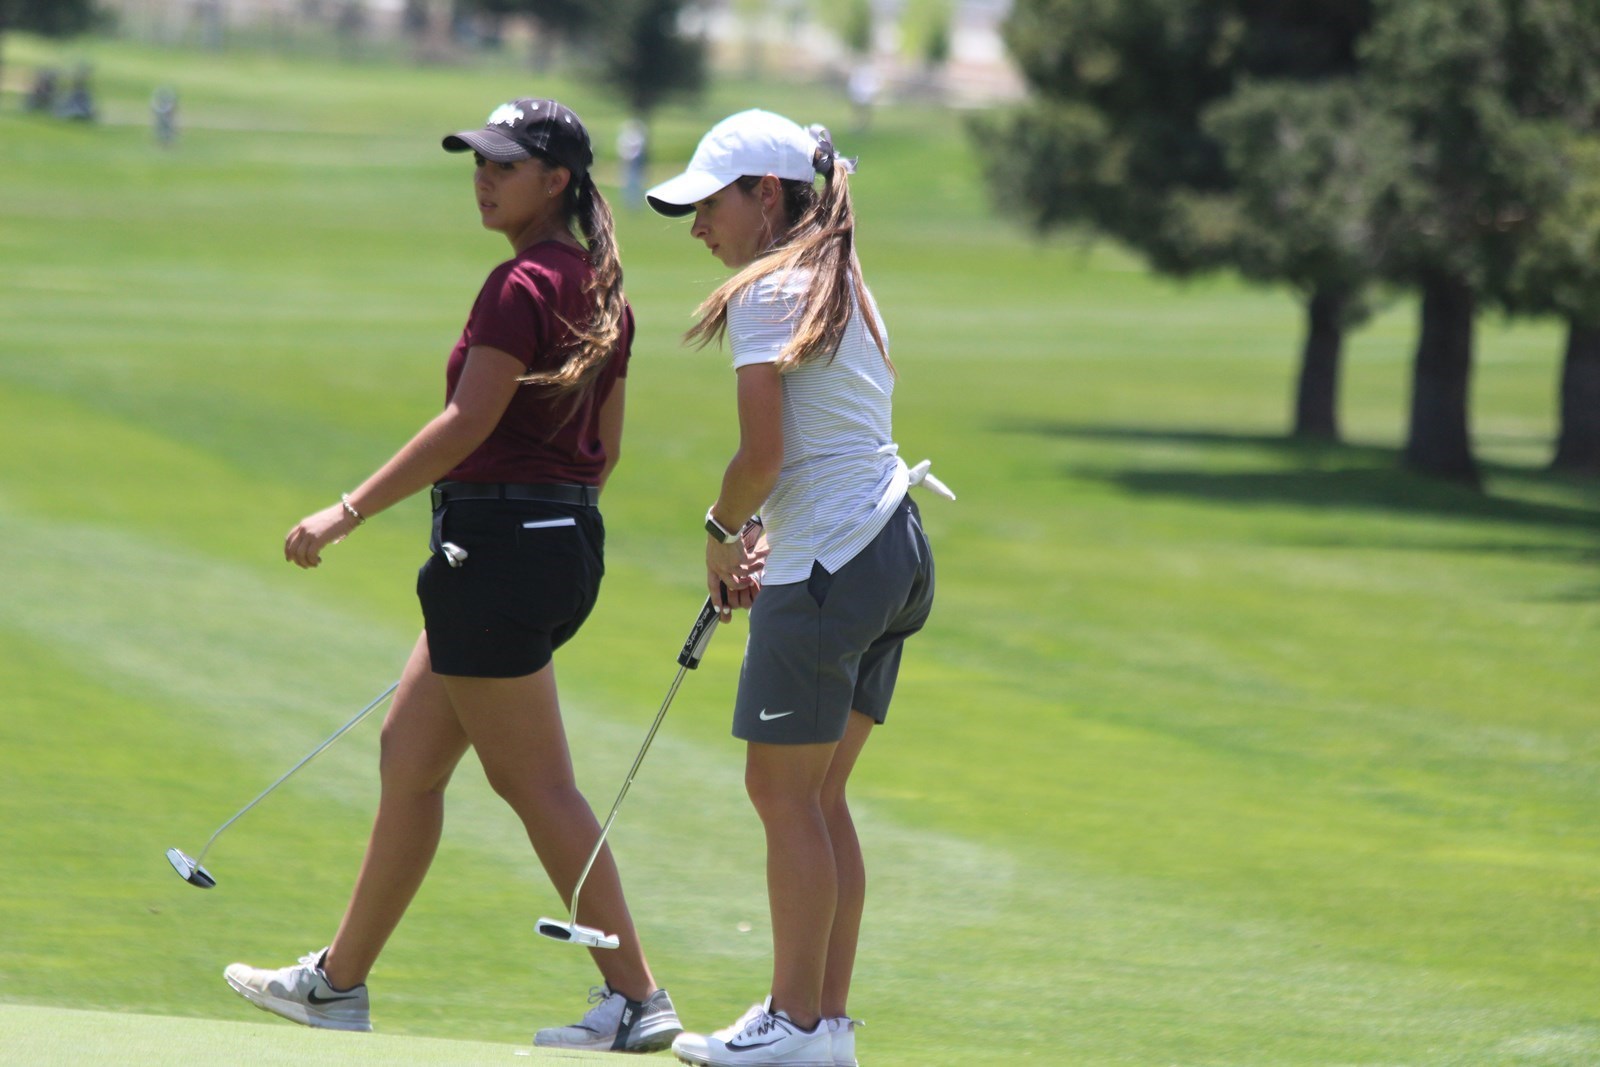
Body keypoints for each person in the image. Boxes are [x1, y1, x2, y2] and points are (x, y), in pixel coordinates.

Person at [222, 98, 682, 1055]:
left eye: (503, 165)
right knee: (411, 753)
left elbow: (468, 422)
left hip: (500, 548)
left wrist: (347, 510)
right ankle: (337, 982)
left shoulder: (519, 284)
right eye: (478, 161)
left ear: (555, 180)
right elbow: (609, 451)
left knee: (534, 783)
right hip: (553, 543)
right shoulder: (599, 287)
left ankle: (639, 997)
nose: (482, 177)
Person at [645, 110, 939, 1067]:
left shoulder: (768, 288)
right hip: (893, 546)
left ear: (765, 194)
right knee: (819, 793)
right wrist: (767, 532)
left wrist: (724, 537)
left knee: (780, 791)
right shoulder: (838, 273)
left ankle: (795, 1024)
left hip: (833, 566)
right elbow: (830, 439)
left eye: (709, 205)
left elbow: (763, 454)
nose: (698, 228)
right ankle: (824, 1026)